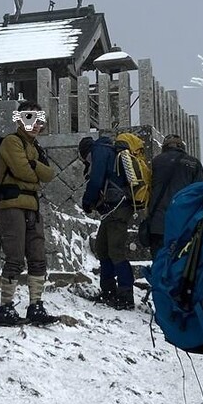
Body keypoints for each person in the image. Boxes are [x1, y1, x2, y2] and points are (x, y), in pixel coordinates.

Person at [0, 106, 57, 326]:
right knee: (15, 257)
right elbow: (23, 171)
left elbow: (49, 174)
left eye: (40, 120)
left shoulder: (35, 147)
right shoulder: (11, 142)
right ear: (20, 120)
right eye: (31, 119)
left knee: (38, 256)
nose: (37, 125)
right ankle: (5, 307)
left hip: (32, 205)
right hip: (12, 204)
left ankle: (36, 305)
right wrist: (34, 172)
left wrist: (33, 166)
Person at [80, 131, 137, 309]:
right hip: (112, 209)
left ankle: (126, 295)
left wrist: (87, 201)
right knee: (102, 249)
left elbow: (96, 179)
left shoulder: (100, 150)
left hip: (118, 207)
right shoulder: (106, 150)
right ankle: (108, 291)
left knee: (116, 251)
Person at [144, 134, 203, 253]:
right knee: (180, 263)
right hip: (183, 224)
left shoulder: (155, 162)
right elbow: (202, 192)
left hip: (158, 224)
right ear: (181, 146)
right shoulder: (193, 163)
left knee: (159, 263)